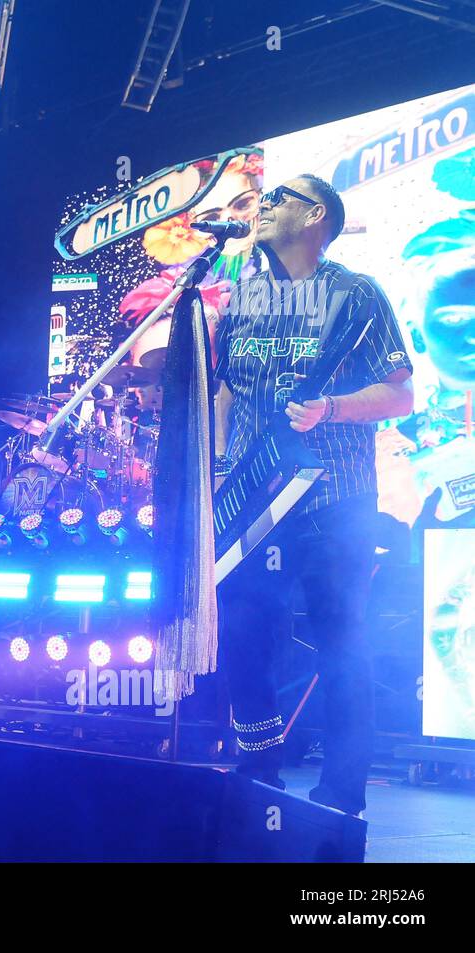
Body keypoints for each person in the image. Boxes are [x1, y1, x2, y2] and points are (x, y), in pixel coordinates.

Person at [213, 175, 414, 816]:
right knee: (242, 632)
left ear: (316, 214)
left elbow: (401, 393)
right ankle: (259, 769)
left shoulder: (356, 295)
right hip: (251, 496)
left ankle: (340, 798)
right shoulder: (240, 298)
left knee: (342, 643)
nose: (262, 205)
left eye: (279, 198)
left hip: (336, 499)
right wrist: (219, 467)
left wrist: (330, 407)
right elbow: (224, 391)